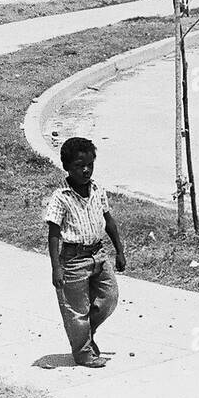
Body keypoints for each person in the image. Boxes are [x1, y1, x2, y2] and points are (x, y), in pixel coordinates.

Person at [43, 137, 126, 369]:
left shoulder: (98, 189)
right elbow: (54, 233)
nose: (86, 170)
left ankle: (86, 335)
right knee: (76, 311)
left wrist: (119, 250)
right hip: (73, 260)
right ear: (67, 167)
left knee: (109, 298)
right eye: (80, 165)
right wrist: (56, 268)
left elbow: (109, 221)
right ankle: (83, 353)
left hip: (98, 254)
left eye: (90, 164)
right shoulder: (61, 197)